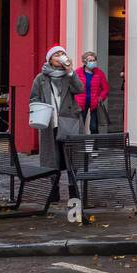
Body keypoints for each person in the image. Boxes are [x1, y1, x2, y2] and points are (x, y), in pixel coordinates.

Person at [29, 46, 84, 202]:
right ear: (50, 59)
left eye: (63, 53)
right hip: (49, 123)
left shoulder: (69, 76)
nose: (61, 56)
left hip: (69, 122)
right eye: (57, 54)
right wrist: (40, 110)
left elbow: (80, 89)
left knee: (71, 158)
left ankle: (74, 191)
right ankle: (54, 191)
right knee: (52, 159)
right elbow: (33, 98)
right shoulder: (41, 78)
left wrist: (71, 71)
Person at [74, 51, 110, 134]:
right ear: (84, 62)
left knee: (94, 126)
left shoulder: (99, 73)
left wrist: (100, 98)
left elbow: (105, 88)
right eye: (90, 60)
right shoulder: (78, 72)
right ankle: (80, 145)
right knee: (80, 126)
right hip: (81, 103)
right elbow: (73, 86)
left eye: (94, 60)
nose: (92, 62)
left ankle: (94, 146)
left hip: (94, 103)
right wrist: (75, 99)